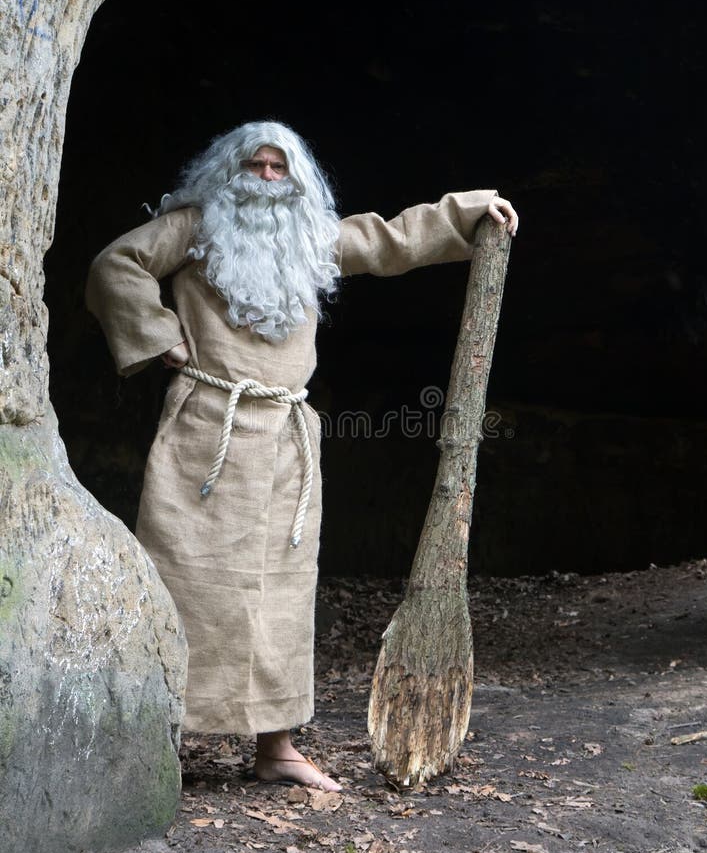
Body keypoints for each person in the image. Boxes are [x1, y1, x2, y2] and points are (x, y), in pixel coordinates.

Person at [85, 120, 518, 793]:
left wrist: (470, 211)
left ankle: (276, 746)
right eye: (254, 166)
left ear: (296, 177)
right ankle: (159, 734)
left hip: (287, 442)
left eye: (277, 168)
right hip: (206, 434)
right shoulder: (194, 226)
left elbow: (391, 239)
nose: (265, 179)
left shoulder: (312, 236)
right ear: (228, 172)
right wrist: (159, 332)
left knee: (281, 596)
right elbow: (117, 264)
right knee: (184, 582)